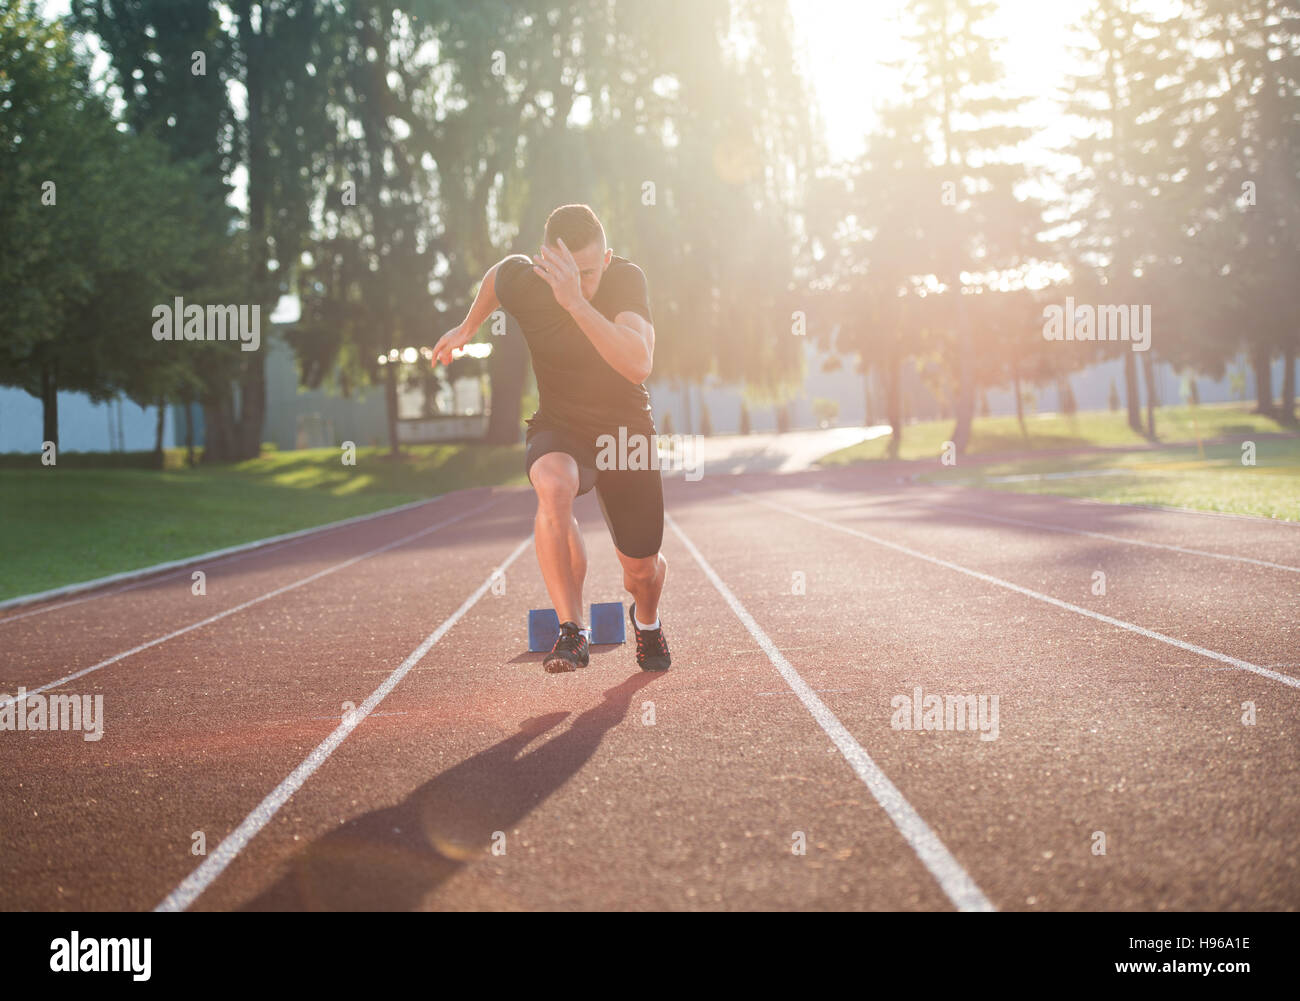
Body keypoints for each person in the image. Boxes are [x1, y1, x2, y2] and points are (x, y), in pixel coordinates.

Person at [433, 204, 671, 673]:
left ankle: (647, 623)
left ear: (605, 260)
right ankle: (572, 630)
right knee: (552, 484)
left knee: (640, 572)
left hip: (626, 435)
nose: (582, 281)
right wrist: (466, 327)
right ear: (546, 261)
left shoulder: (624, 280)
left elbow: (638, 363)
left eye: (589, 271)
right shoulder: (528, 280)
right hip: (562, 424)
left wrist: (577, 303)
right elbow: (499, 277)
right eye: (569, 273)